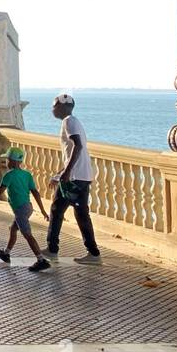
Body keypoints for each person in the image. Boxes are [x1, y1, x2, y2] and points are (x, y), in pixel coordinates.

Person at [46, 94, 102, 265]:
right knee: (80, 214)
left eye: (54, 105)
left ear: (62, 106)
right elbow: (73, 151)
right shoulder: (74, 121)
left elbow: (77, 145)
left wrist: (67, 173)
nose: (52, 109)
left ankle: (52, 249)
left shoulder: (68, 121)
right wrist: (60, 173)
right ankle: (93, 253)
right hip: (82, 175)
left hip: (75, 178)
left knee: (58, 210)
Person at [0, 148, 52, 272]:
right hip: (27, 207)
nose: (6, 162)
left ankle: (41, 260)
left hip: (20, 209)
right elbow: (35, 193)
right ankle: (6, 253)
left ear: (13, 161)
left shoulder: (8, 176)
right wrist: (43, 210)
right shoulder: (27, 175)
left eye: (7, 159)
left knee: (27, 235)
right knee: (13, 229)